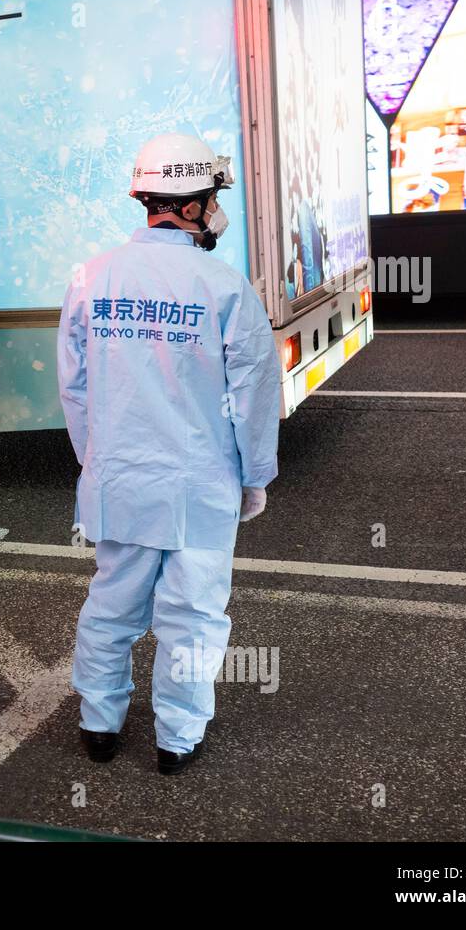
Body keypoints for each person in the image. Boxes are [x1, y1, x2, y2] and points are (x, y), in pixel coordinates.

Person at [58, 133, 281, 776]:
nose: (216, 209)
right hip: (200, 486)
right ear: (189, 204)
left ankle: (99, 724)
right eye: (212, 198)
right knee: (192, 616)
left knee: (112, 603)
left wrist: (95, 459)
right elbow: (255, 391)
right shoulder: (222, 285)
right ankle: (176, 740)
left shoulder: (91, 277)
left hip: (118, 481)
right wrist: (256, 473)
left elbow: (74, 386)